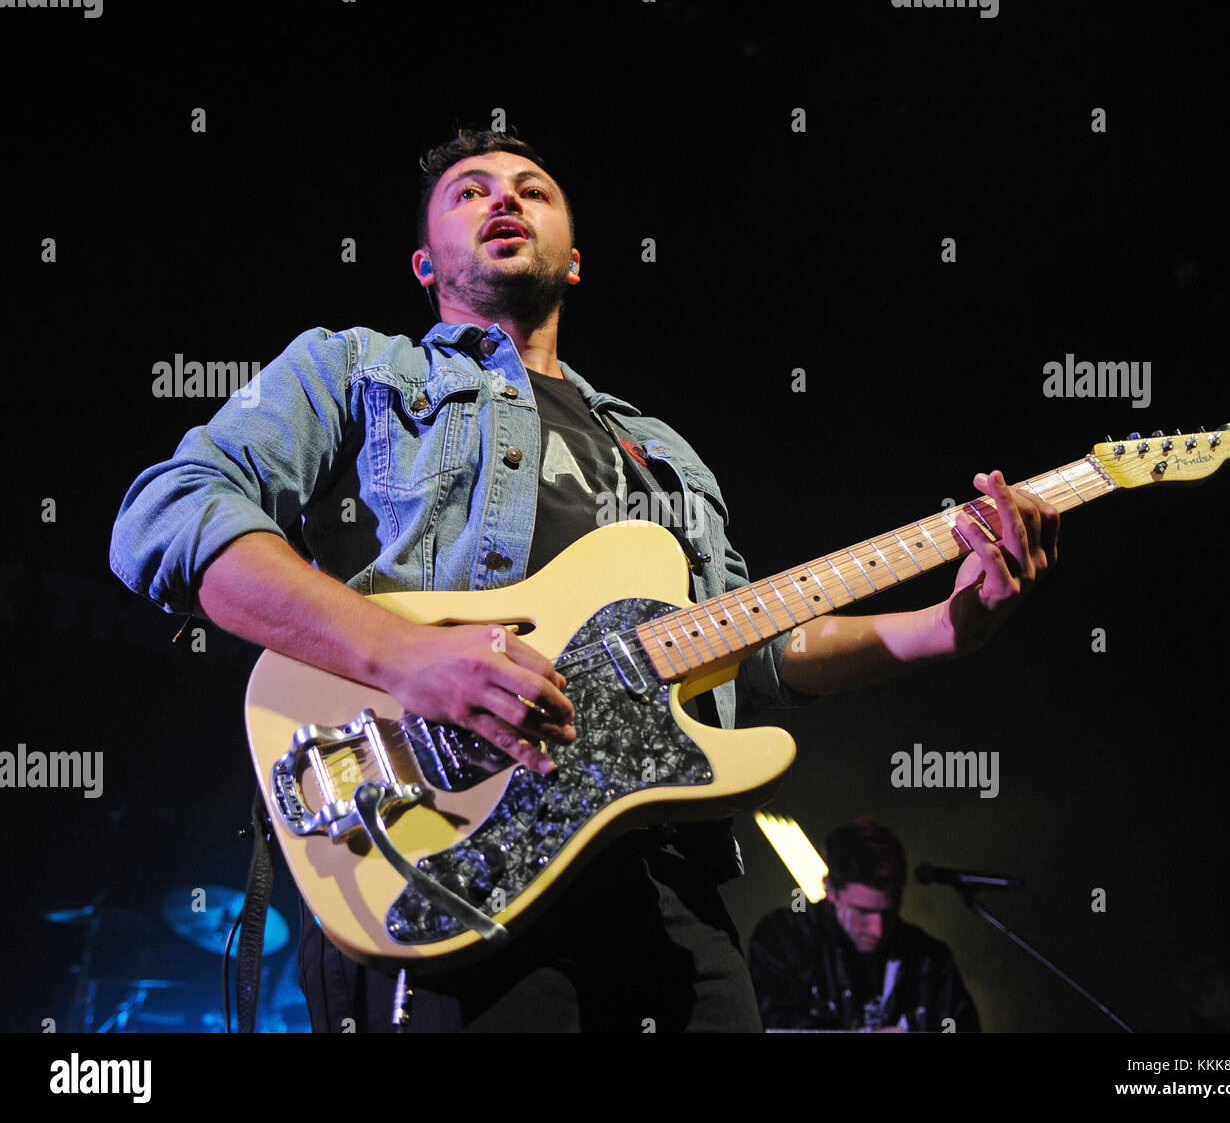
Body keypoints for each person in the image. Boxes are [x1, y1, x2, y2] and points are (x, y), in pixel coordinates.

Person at [109, 128, 1058, 1032]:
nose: (504, 200)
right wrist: (407, 660)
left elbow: (758, 652)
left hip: (662, 888)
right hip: (440, 847)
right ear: (424, 265)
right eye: (468, 192)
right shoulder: (355, 369)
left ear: (574, 260)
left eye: (533, 190)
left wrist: (949, 624)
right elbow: (167, 515)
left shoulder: (665, 456)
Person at [749, 816, 980, 1032]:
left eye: (888, 912)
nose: (877, 929)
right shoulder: (782, 940)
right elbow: (767, 1025)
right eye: (863, 911)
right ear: (830, 889)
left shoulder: (930, 959)